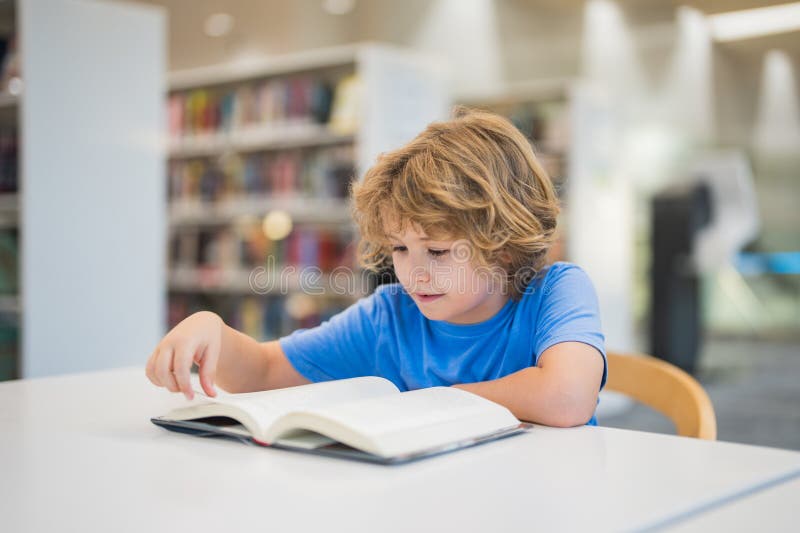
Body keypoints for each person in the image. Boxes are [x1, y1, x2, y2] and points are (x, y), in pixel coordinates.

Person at [146, 107, 606, 427]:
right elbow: (265, 372)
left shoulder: (555, 290)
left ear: (503, 245)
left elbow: (566, 397)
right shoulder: (392, 315)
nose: (413, 274)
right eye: (399, 249)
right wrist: (213, 332)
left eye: (438, 251)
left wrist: (424, 404)